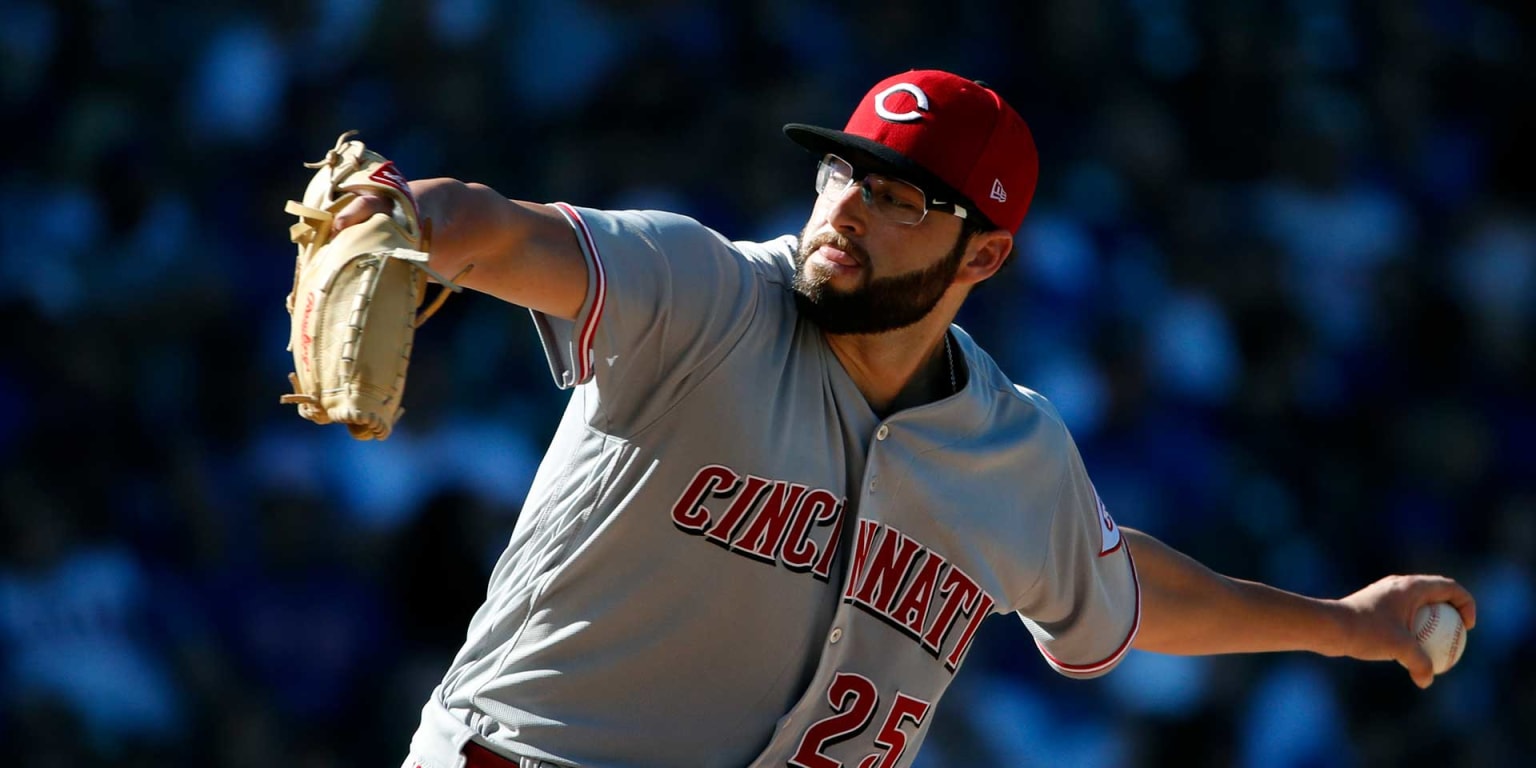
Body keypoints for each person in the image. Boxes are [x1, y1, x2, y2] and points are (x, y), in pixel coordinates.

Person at [332, 70, 1475, 768]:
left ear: (985, 252)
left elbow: (1120, 584)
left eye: (898, 196)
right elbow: (500, 228)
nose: (847, 210)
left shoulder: (1013, 451)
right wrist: (400, 215)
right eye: (842, 172)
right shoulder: (706, 293)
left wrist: (1347, 625)